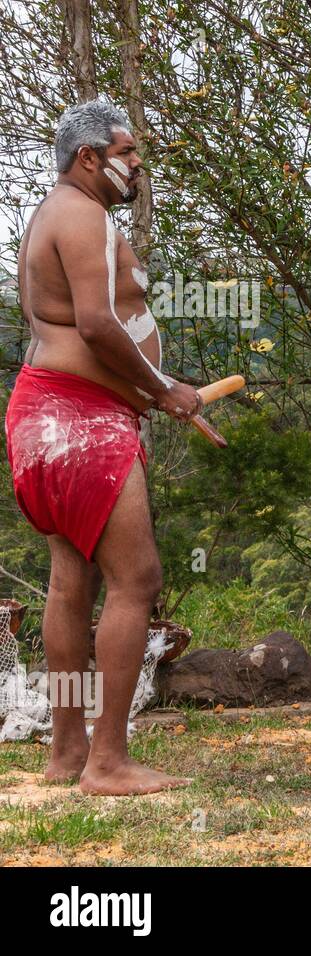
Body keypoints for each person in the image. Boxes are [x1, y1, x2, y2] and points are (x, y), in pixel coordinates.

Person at [7, 99, 202, 795]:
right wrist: (164, 387)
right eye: (128, 155)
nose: (138, 168)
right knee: (136, 579)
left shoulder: (55, 212)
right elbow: (94, 324)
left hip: (47, 419)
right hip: (76, 422)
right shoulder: (81, 213)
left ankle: (66, 754)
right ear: (88, 158)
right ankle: (108, 763)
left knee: (71, 583)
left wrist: (145, 393)